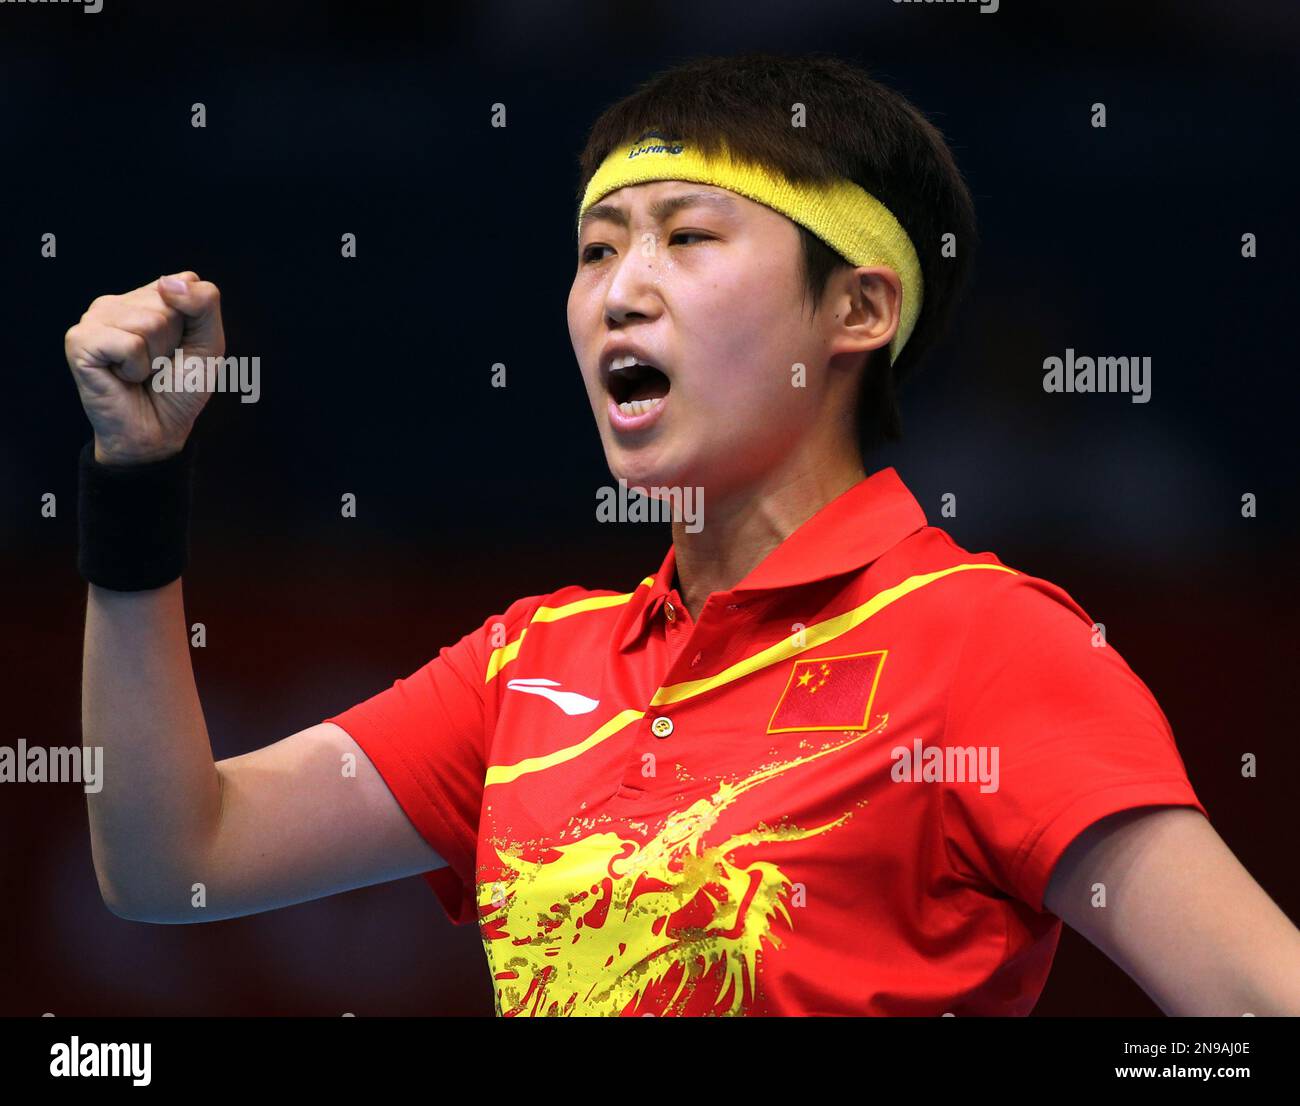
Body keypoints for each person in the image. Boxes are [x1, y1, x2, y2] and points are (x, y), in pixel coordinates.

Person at [66, 52, 1300, 1017]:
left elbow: (1256, 991)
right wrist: (135, 480)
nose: (621, 289)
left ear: (858, 307)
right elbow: (174, 857)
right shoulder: (527, 666)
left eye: (689, 235)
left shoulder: (983, 643)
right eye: (598, 248)